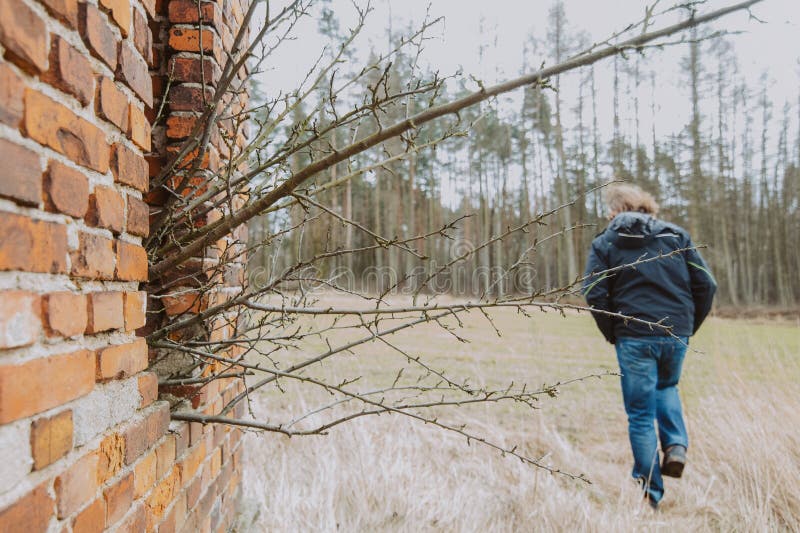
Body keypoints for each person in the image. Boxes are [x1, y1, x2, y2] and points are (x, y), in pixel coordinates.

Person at [583, 183, 717, 509]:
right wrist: (687, 327)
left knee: (641, 417)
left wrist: (614, 332)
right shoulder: (676, 236)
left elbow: (594, 292)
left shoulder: (605, 243)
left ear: (616, 210)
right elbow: (706, 284)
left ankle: (650, 497)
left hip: (633, 336)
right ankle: (675, 445)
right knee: (667, 386)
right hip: (675, 333)